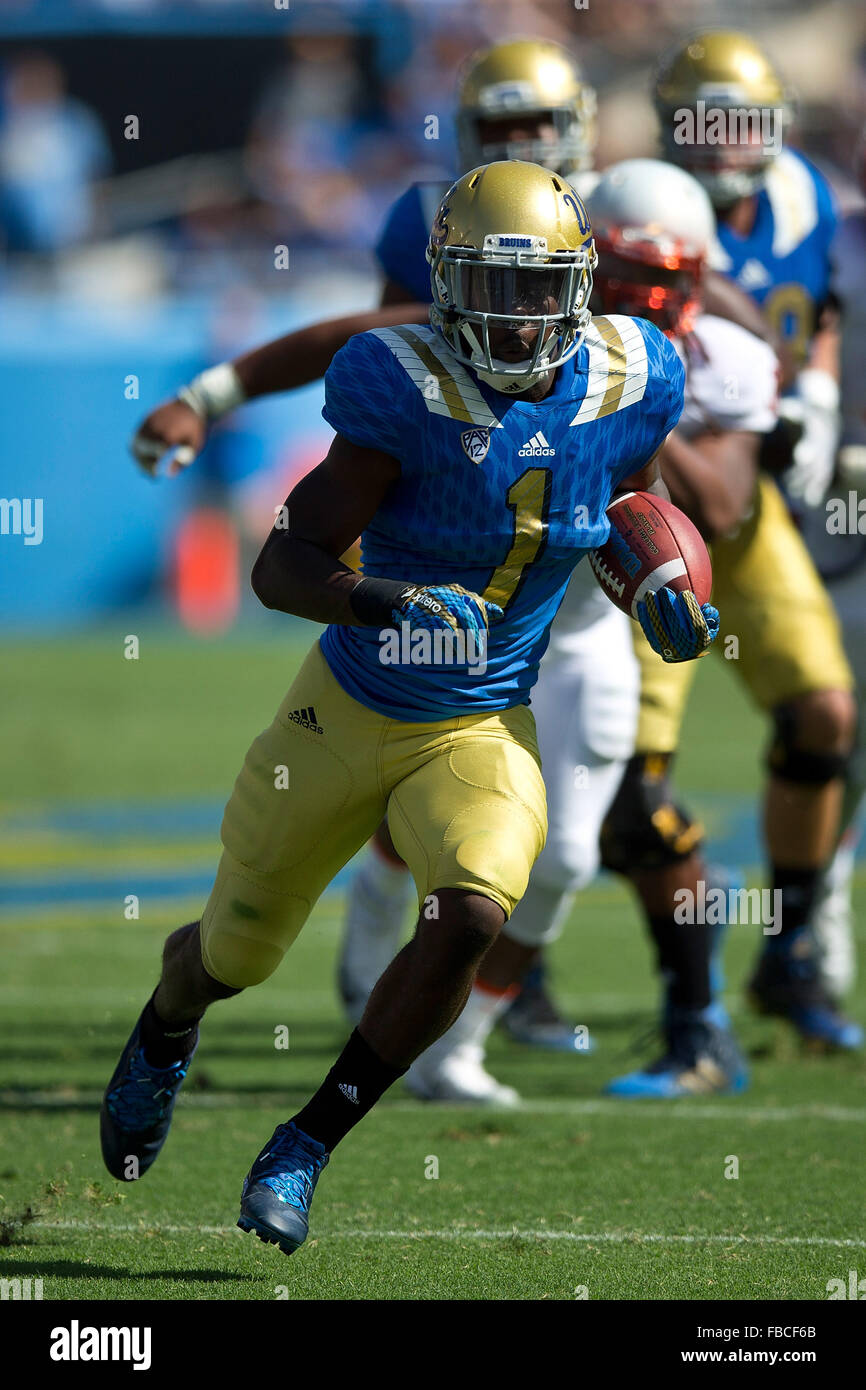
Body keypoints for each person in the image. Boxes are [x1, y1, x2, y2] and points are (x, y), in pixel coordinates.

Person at [103, 160, 712, 1256]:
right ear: (445, 286)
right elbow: (281, 567)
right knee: (234, 951)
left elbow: (634, 497)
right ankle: (166, 1026)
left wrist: (656, 588)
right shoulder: (401, 384)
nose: (519, 320)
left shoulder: (633, 376)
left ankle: (305, 1142)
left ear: (577, 288)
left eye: (539, 292)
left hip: (479, 720)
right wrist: (381, 598)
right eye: (494, 288)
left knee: (475, 907)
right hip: (345, 706)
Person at [607, 30, 861, 1056]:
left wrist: (812, 387)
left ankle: (789, 954)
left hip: (746, 507)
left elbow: (823, 310)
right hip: (650, 505)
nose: (719, 149)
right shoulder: (630, 200)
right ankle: (682, 1011)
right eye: (700, 127)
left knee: (823, 715)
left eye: (740, 126)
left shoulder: (805, 197)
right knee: (629, 783)